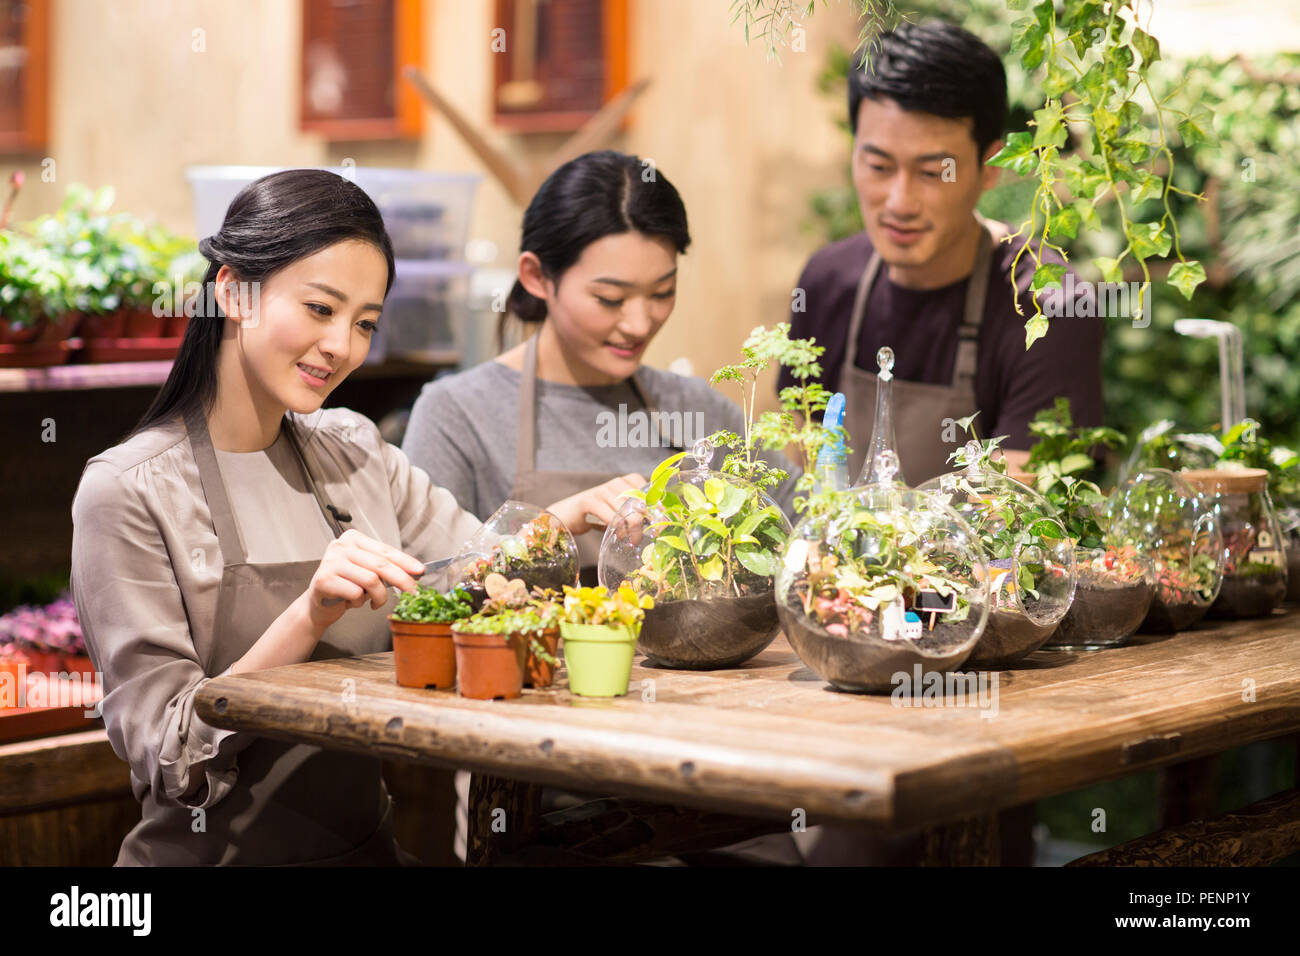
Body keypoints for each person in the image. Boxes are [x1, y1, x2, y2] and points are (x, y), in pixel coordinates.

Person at [69, 169, 639, 866]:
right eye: (320, 308)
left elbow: (471, 572)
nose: (342, 345)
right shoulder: (128, 491)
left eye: (365, 322)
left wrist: (566, 521)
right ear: (232, 292)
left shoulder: (355, 449)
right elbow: (171, 756)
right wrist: (307, 615)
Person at [403, 149, 798, 579]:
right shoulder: (457, 413)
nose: (639, 323)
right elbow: (425, 588)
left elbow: (808, 521)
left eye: (662, 292)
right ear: (536, 276)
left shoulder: (696, 407)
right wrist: (549, 528)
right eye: (610, 299)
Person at [779, 20, 1103, 485]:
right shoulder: (826, 281)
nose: (899, 202)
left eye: (933, 172)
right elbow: (797, 470)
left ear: (990, 165)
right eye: (878, 165)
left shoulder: (1049, 309)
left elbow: (1019, 512)